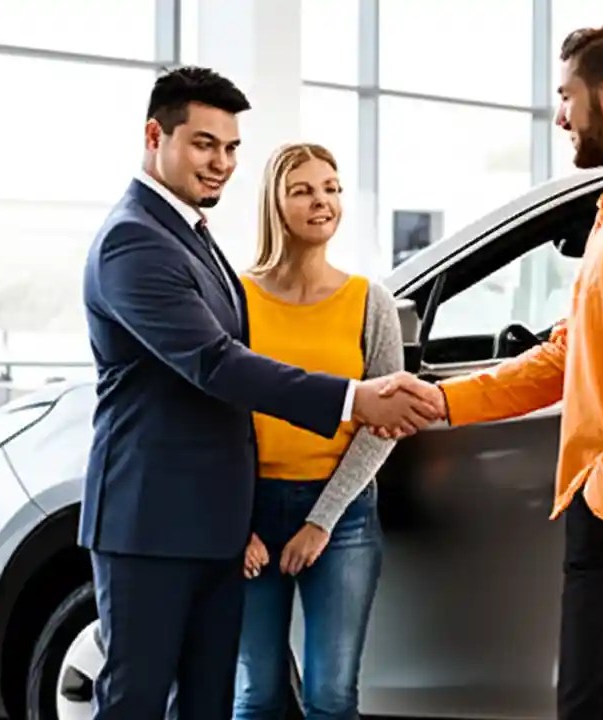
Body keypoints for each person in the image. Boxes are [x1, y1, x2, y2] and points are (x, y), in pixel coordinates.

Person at [381, 21, 603, 720]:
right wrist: (442, 401)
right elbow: (565, 356)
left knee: (595, 705)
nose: (560, 116)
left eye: (565, 96)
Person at [79, 67, 438, 720]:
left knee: (212, 701)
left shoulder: (190, 236)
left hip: (213, 526)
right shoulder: (135, 239)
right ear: (154, 136)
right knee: (137, 701)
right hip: (154, 524)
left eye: (231, 148)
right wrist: (353, 399)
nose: (220, 163)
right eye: (203, 144)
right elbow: (218, 364)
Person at [230, 142, 398, 720]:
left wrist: (320, 521)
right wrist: (237, 522)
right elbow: (214, 412)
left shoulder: (370, 302)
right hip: (248, 513)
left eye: (331, 187)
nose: (321, 201)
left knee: (332, 696)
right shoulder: (236, 299)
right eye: (302, 190)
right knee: (255, 695)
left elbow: (384, 423)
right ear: (275, 203)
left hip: (342, 516)